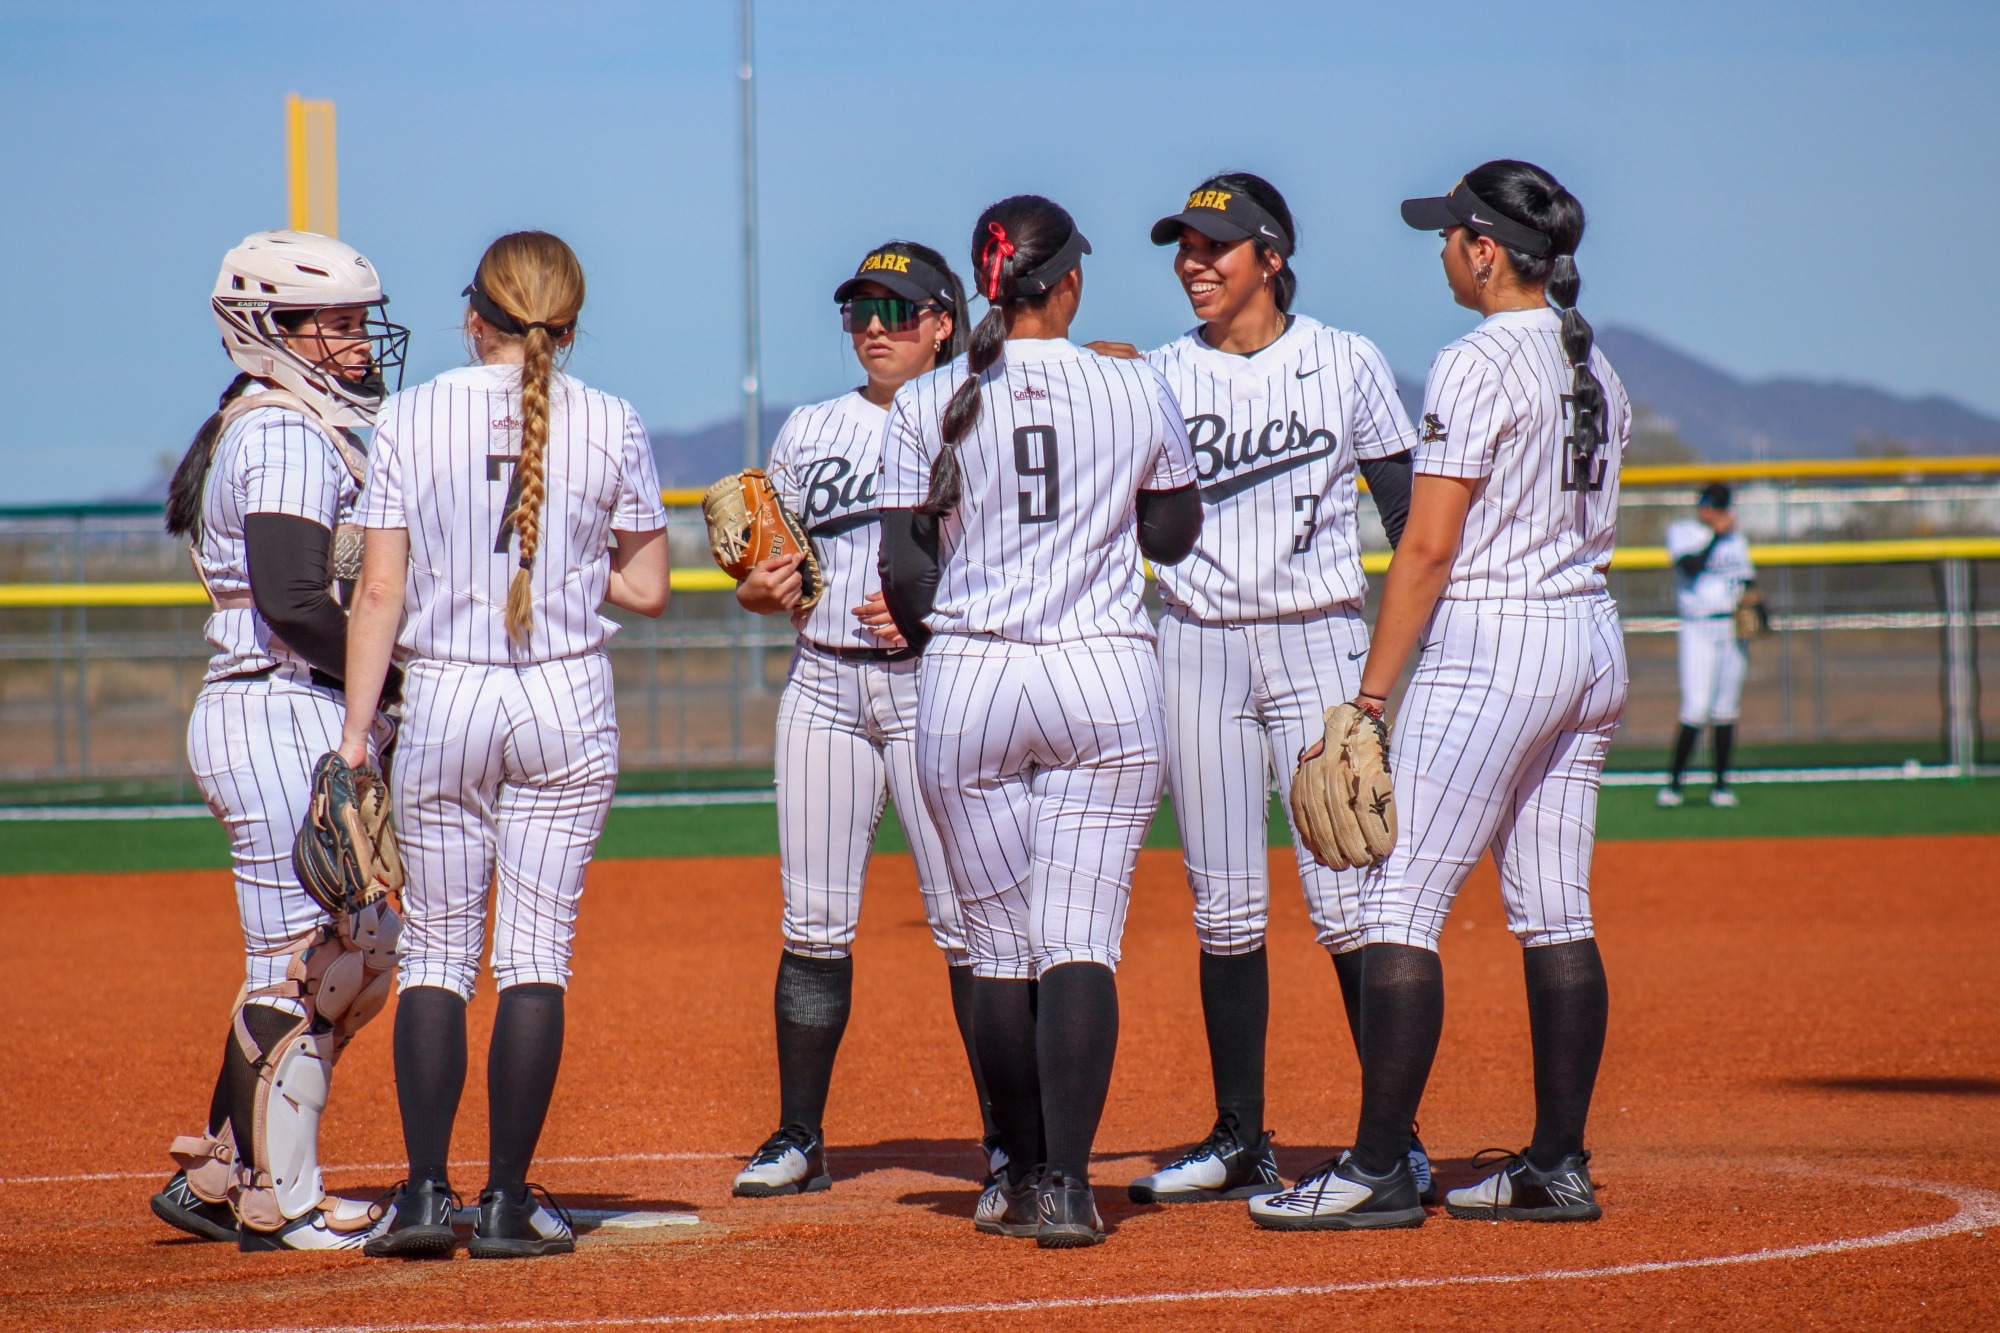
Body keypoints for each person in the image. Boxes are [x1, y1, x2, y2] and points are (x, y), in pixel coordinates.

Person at [1248, 161, 1631, 1230]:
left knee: (1389, 902)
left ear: (1484, 249)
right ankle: (1554, 1162)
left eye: (1449, 231)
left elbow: (1424, 544)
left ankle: (1374, 1167)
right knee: (1554, 909)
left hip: (1496, 641)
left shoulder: (1471, 360)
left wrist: (1369, 698)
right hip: (1589, 640)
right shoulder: (1590, 356)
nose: (1438, 248)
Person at [339, 231, 671, 1259]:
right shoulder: (609, 418)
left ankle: (430, 1195)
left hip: (445, 698)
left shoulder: (410, 412)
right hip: (564, 699)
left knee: (438, 954)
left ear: (473, 314)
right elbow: (649, 588)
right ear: (566, 329)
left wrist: (355, 736)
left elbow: (381, 589)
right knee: (535, 955)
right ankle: (511, 1200)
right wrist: (568, 570)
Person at [877, 195, 1201, 1247]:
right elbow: (1175, 528)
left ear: (983, 285)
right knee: (1079, 944)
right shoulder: (1130, 380)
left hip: (969, 675)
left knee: (996, 946)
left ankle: (1015, 1172)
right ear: (1064, 282)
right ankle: (1066, 1183)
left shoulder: (930, 402)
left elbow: (903, 567)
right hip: (1101, 673)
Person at [1113, 172, 1433, 1207]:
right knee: (1224, 907)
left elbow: (1405, 512)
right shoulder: (1156, 374)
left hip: (1315, 644)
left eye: (1213, 246)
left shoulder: (1343, 361)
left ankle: (1392, 1140)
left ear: (1269, 255)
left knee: (1347, 897)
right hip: (1196, 647)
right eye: (1182, 247)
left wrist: (1396, 674)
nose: (1191, 263)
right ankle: (1241, 1135)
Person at [152, 230, 410, 1251]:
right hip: (278, 704)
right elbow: (297, 598)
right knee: (304, 966)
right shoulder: (281, 431)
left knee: (348, 954)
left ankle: (223, 1166)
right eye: (332, 323)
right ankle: (284, 1203)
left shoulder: (297, 422)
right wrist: (403, 674)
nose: (354, 341)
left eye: (355, 319)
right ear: (267, 332)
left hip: (291, 704)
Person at [726, 241, 1001, 1197]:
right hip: (825, 691)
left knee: (973, 928)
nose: (872, 328)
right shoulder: (811, 429)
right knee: (812, 922)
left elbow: (1022, 553)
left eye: (894, 310)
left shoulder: (984, 414)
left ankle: (1009, 1135)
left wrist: (935, 604)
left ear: (941, 322)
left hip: (937, 688)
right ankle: (800, 1134)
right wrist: (760, 588)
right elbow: (773, 578)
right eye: (857, 311)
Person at [1659, 483, 1759, 807]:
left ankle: (1720, 786)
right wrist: (1716, 535)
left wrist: (1759, 612)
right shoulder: (1683, 531)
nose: (1712, 513)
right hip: (1698, 627)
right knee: (1697, 707)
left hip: (1731, 627)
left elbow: (1748, 583)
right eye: (1709, 506)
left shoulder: (1737, 540)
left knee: (1726, 709)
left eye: (1718, 507)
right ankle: (1673, 784)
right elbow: (1689, 567)